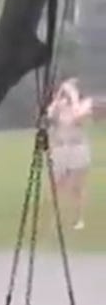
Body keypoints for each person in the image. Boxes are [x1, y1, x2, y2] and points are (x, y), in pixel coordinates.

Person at [47, 77, 93, 230]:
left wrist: (73, 96)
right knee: (57, 185)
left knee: (76, 186)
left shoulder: (84, 104)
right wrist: (59, 95)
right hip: (61, 149)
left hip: (77, 149)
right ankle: (55, 219)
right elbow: (49, 116)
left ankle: (79, 218)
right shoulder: (59, 106)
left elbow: (77, 117)